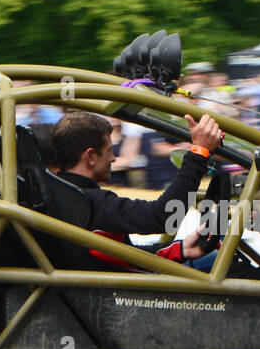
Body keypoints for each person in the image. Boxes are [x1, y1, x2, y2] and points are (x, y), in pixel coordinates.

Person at [52, 109, 223, 262]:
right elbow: (164, 216)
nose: (114, 159)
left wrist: (180, 249)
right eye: (110, 150)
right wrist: (199, 152)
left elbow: (123, 256)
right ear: (91, 156)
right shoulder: (90, 202)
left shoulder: (57, 196)